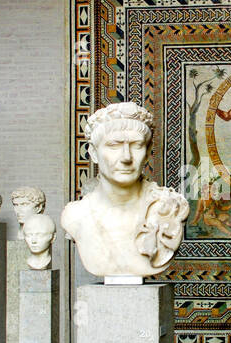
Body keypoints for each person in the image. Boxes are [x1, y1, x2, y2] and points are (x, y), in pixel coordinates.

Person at [60, 102, 188, 278]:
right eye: (113, 145)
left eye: (136, 145)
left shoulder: (169, 207)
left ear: (148, 151)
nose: (126, 157)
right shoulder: (75, 215)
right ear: (94, 153)